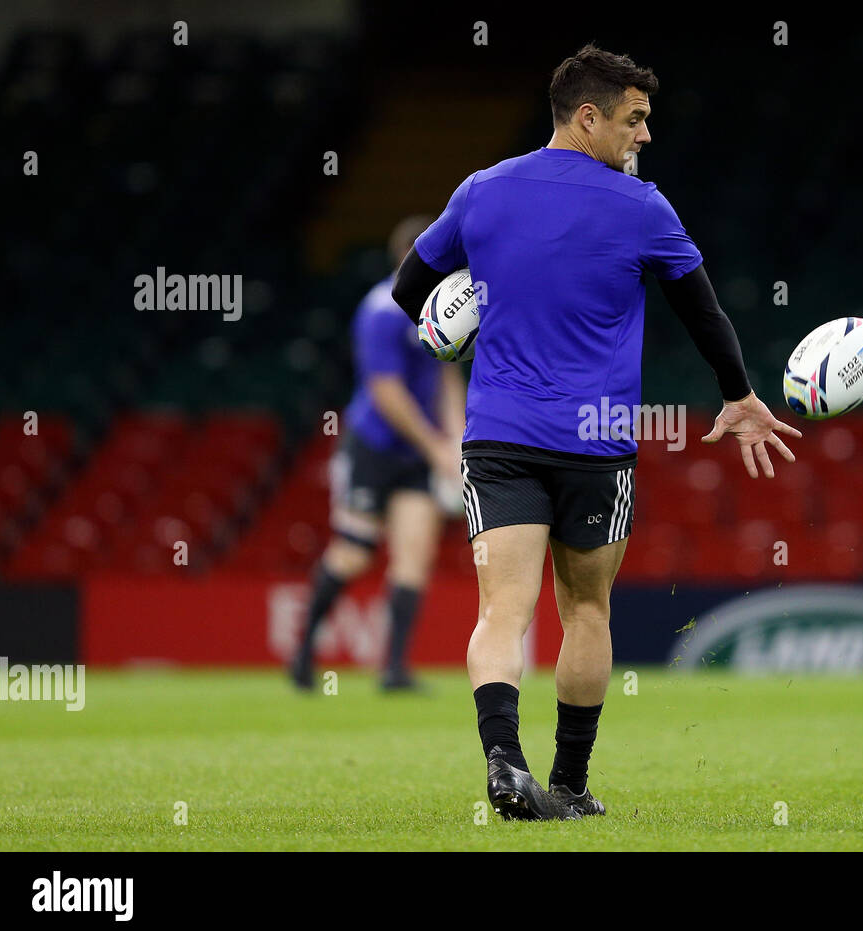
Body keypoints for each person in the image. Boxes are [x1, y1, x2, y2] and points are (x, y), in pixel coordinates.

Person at [390, 45, 800, 820]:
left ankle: (505, 765)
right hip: (598, 440)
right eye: (634, 119)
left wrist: (456, 329)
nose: (644, 136)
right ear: (588, 117)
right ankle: (570, 785)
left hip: (501, 434)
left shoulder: (481, 191)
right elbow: (701, 312)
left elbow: (409, 287)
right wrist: (739, 394)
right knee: (586, 612)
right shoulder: (643, 208)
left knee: (502, 610)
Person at [290, 216, 466, 692]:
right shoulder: (381, 310)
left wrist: (457, 438)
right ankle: (303, 652)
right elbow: (386, 392)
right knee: (352, 554)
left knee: (413, 557)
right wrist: (435, 446)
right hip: (373, 448)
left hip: (416, 458)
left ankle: (393, 670)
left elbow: (447, 377)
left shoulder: (442, 311)